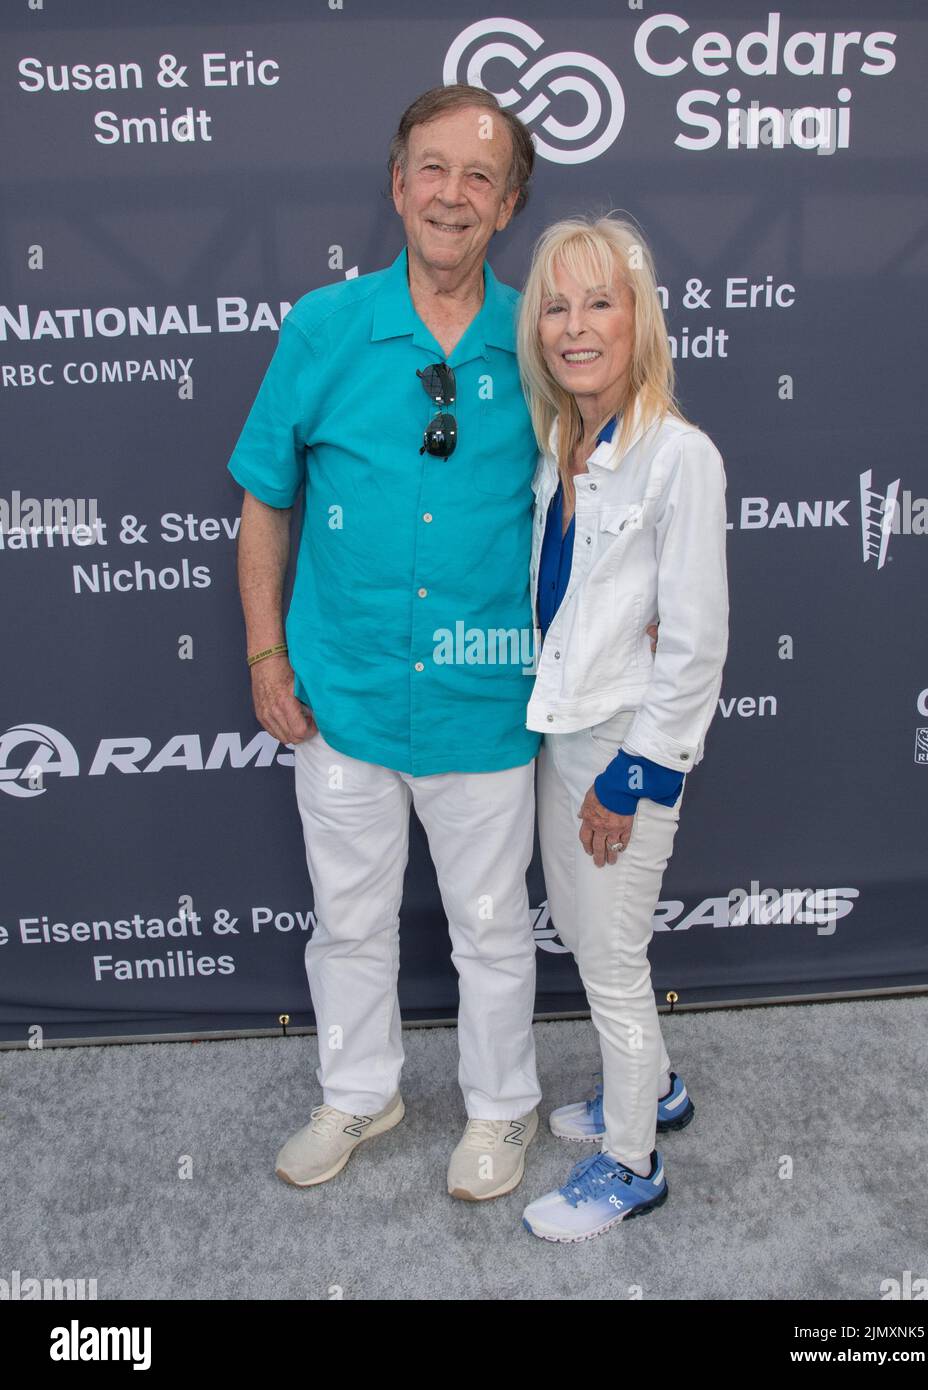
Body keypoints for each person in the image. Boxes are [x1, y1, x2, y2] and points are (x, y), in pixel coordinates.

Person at [226, 85, 544, 1200]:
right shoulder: (323, 326)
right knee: (349, 922)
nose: (450, 194)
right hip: (342, 696)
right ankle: (362, 1091)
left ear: (507, 207)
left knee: (495, 932)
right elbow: (268, 500)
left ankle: (503, 1110)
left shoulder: (544, 338)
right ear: (396, 183)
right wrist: (268, 655)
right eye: (432, 168)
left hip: (486, 701)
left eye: (479, 177)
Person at [515, 214, 729, 1242]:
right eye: (556, 304)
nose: (574, 324)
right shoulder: (566, 443)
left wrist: (633, 776)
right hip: (567, 734)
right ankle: (655, 1089)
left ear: (639, 317)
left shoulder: (677, 457)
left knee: (610, 963)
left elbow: (694, 645)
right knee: (597, 941)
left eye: (599, 300)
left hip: (622, 757)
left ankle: (632, 1161)